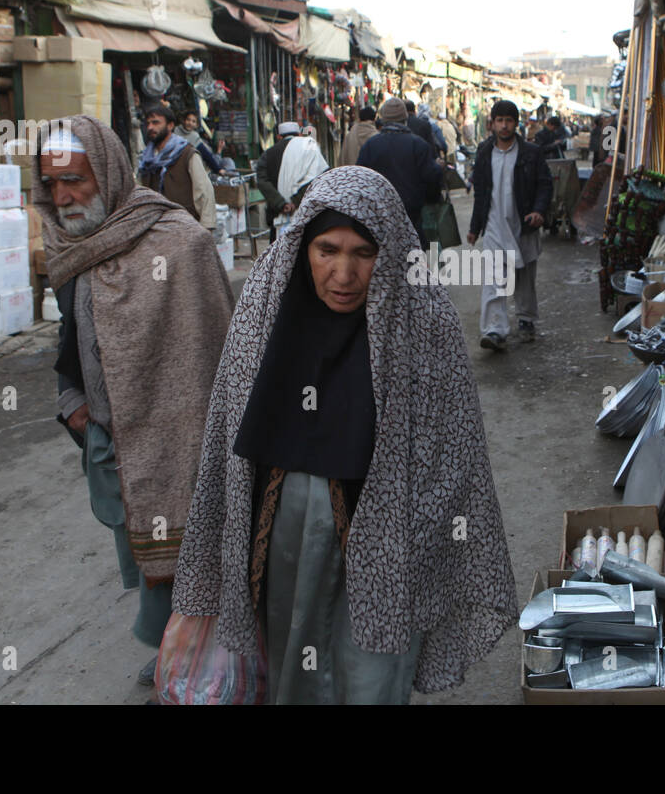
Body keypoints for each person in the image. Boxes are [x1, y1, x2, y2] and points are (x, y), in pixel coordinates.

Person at [171, 166, 518, 704]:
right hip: (282, 534)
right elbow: (228, 429)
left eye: (364, 252)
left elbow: (455, 457)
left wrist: (416, 538)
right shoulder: (266, 309)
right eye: (327, 249)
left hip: (389, 548)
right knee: (295, 666)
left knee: (371, 678)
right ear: (303, 247)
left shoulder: (424, 322)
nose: (344, 273)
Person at [35, 115, 234, 689]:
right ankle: (173, 644)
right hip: (110, 433)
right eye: (52, 184)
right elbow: (73, 337)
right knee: (140, 547)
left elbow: (217, 351)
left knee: (195, 544)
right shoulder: (72, 243)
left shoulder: (182, 243)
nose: (64, 196)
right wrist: (71, 396)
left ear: (110, 170)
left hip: (180, 434)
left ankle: (206, 654)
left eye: (76, 180)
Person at [467, 99, 552, 351]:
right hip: (494, 225)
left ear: (516, 124)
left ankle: (526, 319)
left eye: (509, 121)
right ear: (492, 123)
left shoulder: (531, 153)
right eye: (500, 120)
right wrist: (474, 227)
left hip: (522, 224)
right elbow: (481, 193)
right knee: (493, 278)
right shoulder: (484, 152)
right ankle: (494, 329)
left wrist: (538, 211)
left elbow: (545, 184)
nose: (504, 126)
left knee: (524, 276)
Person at [355, 97, 444, 248]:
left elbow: (360, 182)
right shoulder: (418, 145)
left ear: (383, 121)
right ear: (405, 119)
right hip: (412, 219)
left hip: (380, 222)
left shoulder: (371, 146)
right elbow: (431, 179)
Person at [136, 105, 215, 230]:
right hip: (155, 228)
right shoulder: (146, 159)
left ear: (170, 126)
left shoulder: (187, 154)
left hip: (185, 228)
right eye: (148, 123)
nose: (150, 127)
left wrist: (206, 227)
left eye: (156, 122)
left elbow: (204, 191)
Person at [255, 120, 328, 235]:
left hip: (278, 214)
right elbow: (319, 177)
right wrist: (295, 201)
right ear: (298, 134)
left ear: (278, 137)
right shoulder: (309, 148)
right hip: (306, 213)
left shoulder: (268, 154)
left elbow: (262, 181)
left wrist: (281, 203)